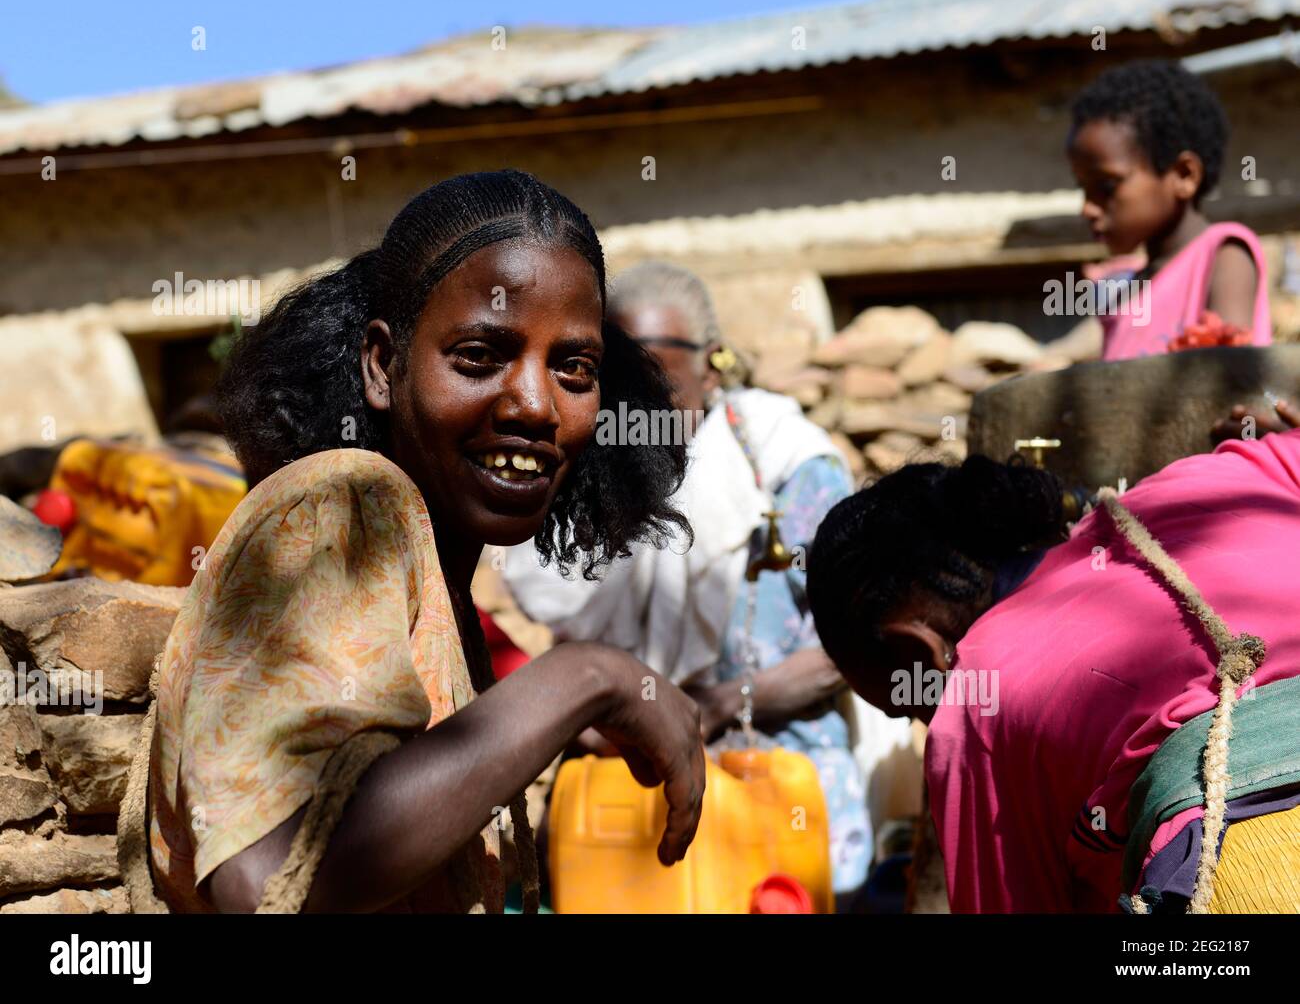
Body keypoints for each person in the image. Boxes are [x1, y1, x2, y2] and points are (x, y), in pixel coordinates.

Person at [140, 171, 706, 913]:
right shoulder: (339, 501)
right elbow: (267, 881)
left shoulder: (440, 575)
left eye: (574, 368)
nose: (536, 404)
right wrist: (586, 679)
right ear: (383, 365)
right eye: (479, 355)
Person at [806, 418, 1300, 913]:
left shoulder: (974, 703)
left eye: (907, 709)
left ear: (918, 654)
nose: (925, 728)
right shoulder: (1232, 472)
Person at [503, 261, 874, 903]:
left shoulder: (785, 465)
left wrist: (721, 704)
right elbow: (570, 655)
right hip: (627, 811)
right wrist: (608, 720)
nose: (634, 391)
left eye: (654, 366)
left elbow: (851, 641)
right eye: (608, 365)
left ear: (710, 363)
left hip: (780, 792)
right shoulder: (586, 482)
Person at [1066, 60, 1271, 361]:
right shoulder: (1123, 296)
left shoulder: (1224, 254)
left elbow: (1230, 383)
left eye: (1106, 187)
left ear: (1183, 176)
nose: (1087, 209)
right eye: (1083, 189)